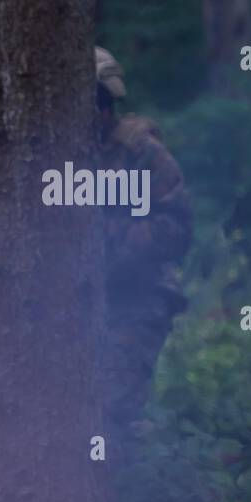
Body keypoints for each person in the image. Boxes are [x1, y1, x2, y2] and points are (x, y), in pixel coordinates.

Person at [94, 46, 193, 462]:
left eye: (104, 103)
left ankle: (135, 501)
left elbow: (176, 229)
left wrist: (108, 239)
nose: (99, 112)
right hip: (73, 302)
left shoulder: (140, 152)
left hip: (137, 298)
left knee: (112, 407)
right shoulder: (47, 152)